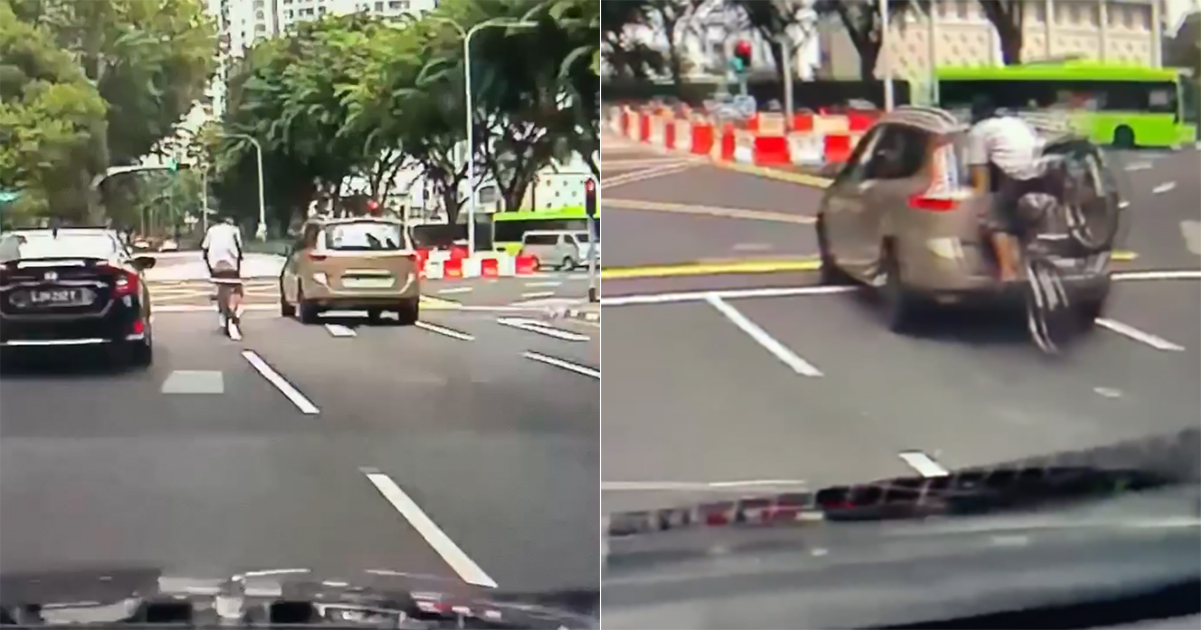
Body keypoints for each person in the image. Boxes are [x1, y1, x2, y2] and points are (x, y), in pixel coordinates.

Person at [966, 96, 1060, 283]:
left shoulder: (979, 131)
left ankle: (1007, 273)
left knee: (995, 221)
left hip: (1017, 179)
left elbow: (980, 177)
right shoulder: (1018, 123)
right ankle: (1026, 271)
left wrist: (974, 203)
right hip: (1043, 176)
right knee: (1022, 223)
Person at [201, 215, 244, 328]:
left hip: (215, 265)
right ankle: (234, 310)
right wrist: (238, 269)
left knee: (220, 288)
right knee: (238, 288)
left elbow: (205, 250)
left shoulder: (211, 230)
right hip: (232, 266)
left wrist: (210, 269)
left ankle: (221, 312)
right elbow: (239, 250)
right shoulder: (234, 230)